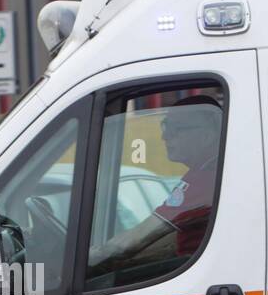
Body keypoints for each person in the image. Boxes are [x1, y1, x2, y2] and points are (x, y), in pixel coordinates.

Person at [88, 95, 223, 277]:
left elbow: (133, 242)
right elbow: (169, 241)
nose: (164, 136)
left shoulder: (207, 178)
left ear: (208, 135)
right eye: (165, 126)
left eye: (175, 129)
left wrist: (84, 261)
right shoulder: (205, 170)